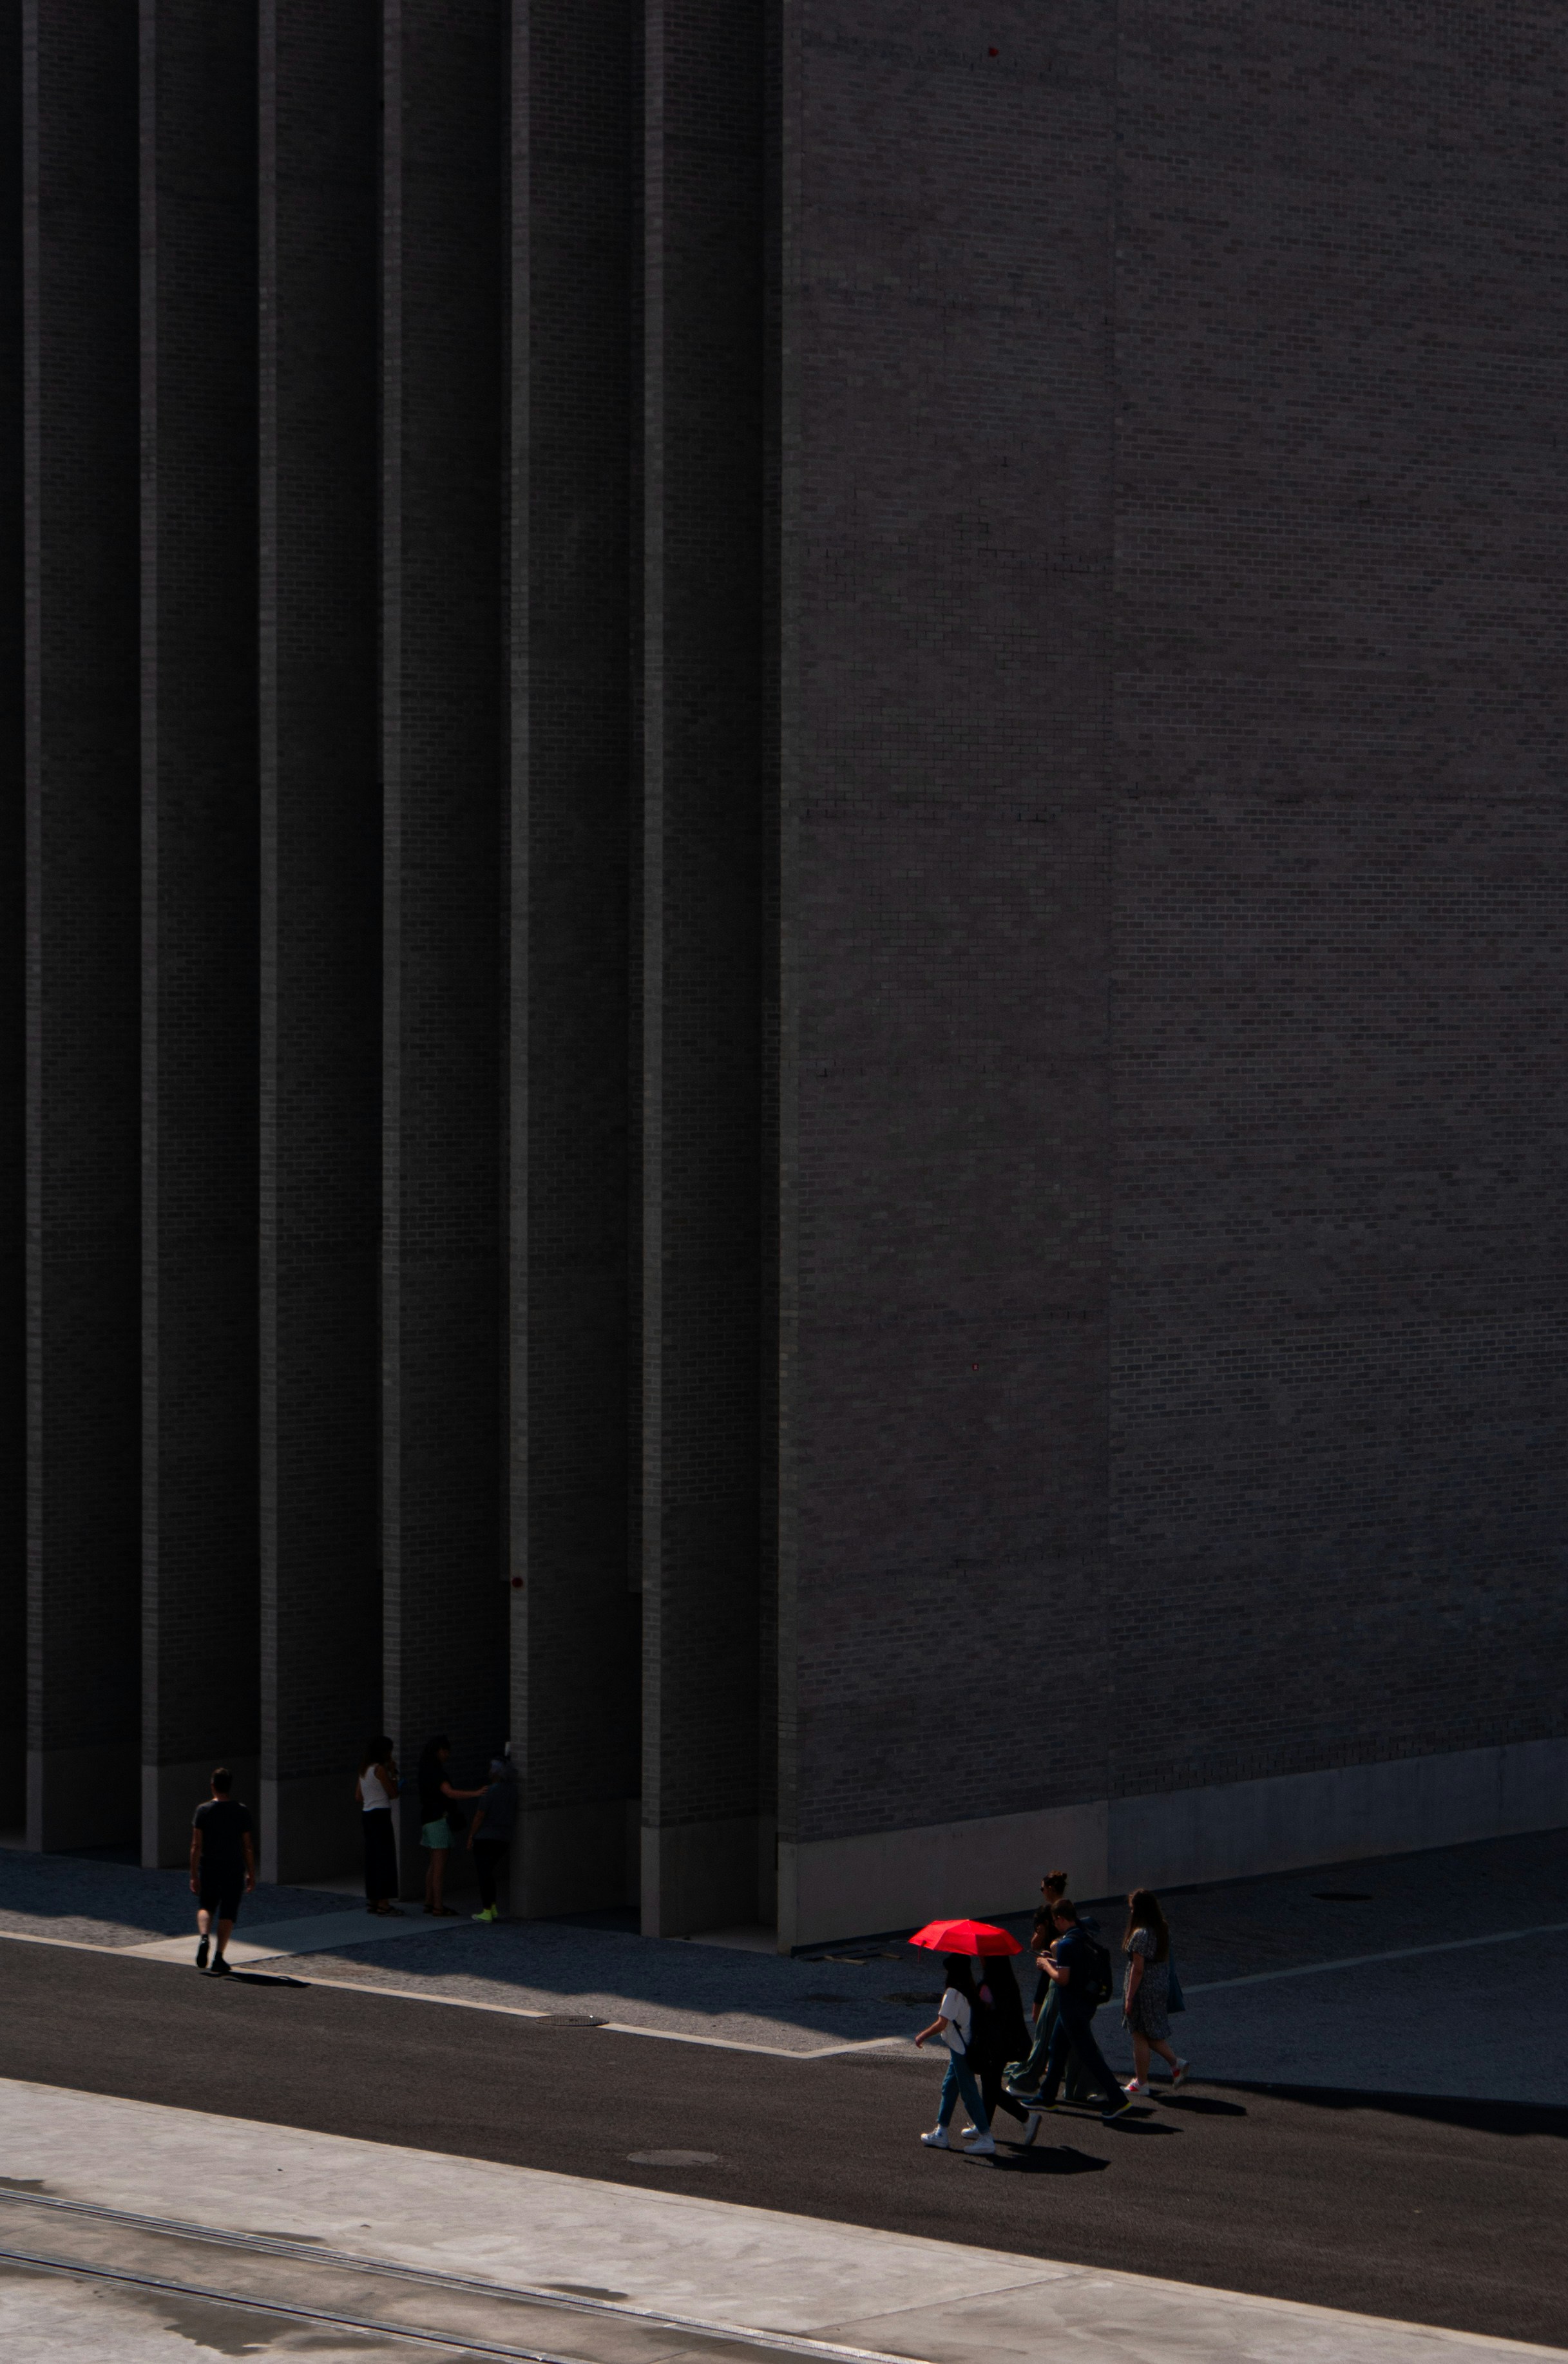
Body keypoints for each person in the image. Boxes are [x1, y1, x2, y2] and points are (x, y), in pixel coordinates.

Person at [1031, 1898, 1133, 2121]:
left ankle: (1118, 2100)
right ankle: (1046, 2097)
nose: (1055, 1926)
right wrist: (1055, 1961)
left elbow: (1063, 1979)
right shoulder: (1083, 1937)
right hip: (1085, 2004)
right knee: (1056, 2048)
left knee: (1088, 2054)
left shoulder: (1067, 1944)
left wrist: (1046, 1965)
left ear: (1059, 1919)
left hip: (1072, 2008)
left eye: (1055, 1921)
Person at [913, 1954, 995, 2154]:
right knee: (949, 2087)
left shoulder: (952, 1993)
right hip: (963, 2046)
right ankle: (942, 2130)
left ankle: (985, 2136)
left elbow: (942, 2023)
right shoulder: (969, 1990)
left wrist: (922, 2036)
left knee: (969, 2092)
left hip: (960, 2049)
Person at [968, 1949, 1043, 2146]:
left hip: (991, 2045)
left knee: (991, 2088)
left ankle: (1026, 2117)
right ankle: (983, 2125)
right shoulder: (1007, 1982)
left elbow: (981, 2014)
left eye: (983, 1955)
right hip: (1004, 2043)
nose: (980, 1957)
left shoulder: (988, 1985)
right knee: (990, 2085)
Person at [1122, 1888, 1190, 2095]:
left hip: (1144, 1990)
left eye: (1133, 1909)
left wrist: (1129, 1998)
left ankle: (1142, 2082)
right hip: (1160, 1985)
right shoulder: (1161, 1929)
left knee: (1139, 2034)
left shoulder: (1140, 1934)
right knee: (1149, 2032)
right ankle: (1174, 2065)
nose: (1131, 1913)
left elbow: (1138, 1969)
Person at [189, 1768, 255, 1976]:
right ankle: (219, 1957)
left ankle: (204, 1937)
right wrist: (251, 1872)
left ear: (212, 1786)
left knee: (206, 1905)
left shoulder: (203, 1811)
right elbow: (247, 1846)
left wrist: (193, 1874)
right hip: (233, 1867)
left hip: (209, 1866)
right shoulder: (241, 1811)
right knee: (228, 1911)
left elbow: (196, 1845)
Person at [417, 1736, 486, 1917]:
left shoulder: (423, 1770)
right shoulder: (438, 1772)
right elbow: (449, 1793)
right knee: (440, 1866)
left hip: (427, 1820)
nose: (447, 1755)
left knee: (433, 1864)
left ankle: (429, 1901)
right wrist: (475, 1793)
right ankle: (438, 1906)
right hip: (440, 1820)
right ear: (438, 1751)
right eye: (445, 1751)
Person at [466, 1753, 519, 1922]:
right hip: (504, 1838)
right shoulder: (512, 1790)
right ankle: (493, 1907)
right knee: (489, 1873)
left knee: (484, 1874)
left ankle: (487, 1910)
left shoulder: (490, 1792)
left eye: (492, 1769)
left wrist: (471, 1836)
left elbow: (479, 1816)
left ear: (496, 1773)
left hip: (486, 1838)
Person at [357, 1735, 402, 1916]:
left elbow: (358, 1796)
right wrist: (394, 1773)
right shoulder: (380, 1769)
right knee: (385, 1858)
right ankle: (384, 1903)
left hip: (367, 1814)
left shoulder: (364, 1769)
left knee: (372, 1858)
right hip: (381, 1814)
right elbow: (393, 1793)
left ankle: (373, 1900)